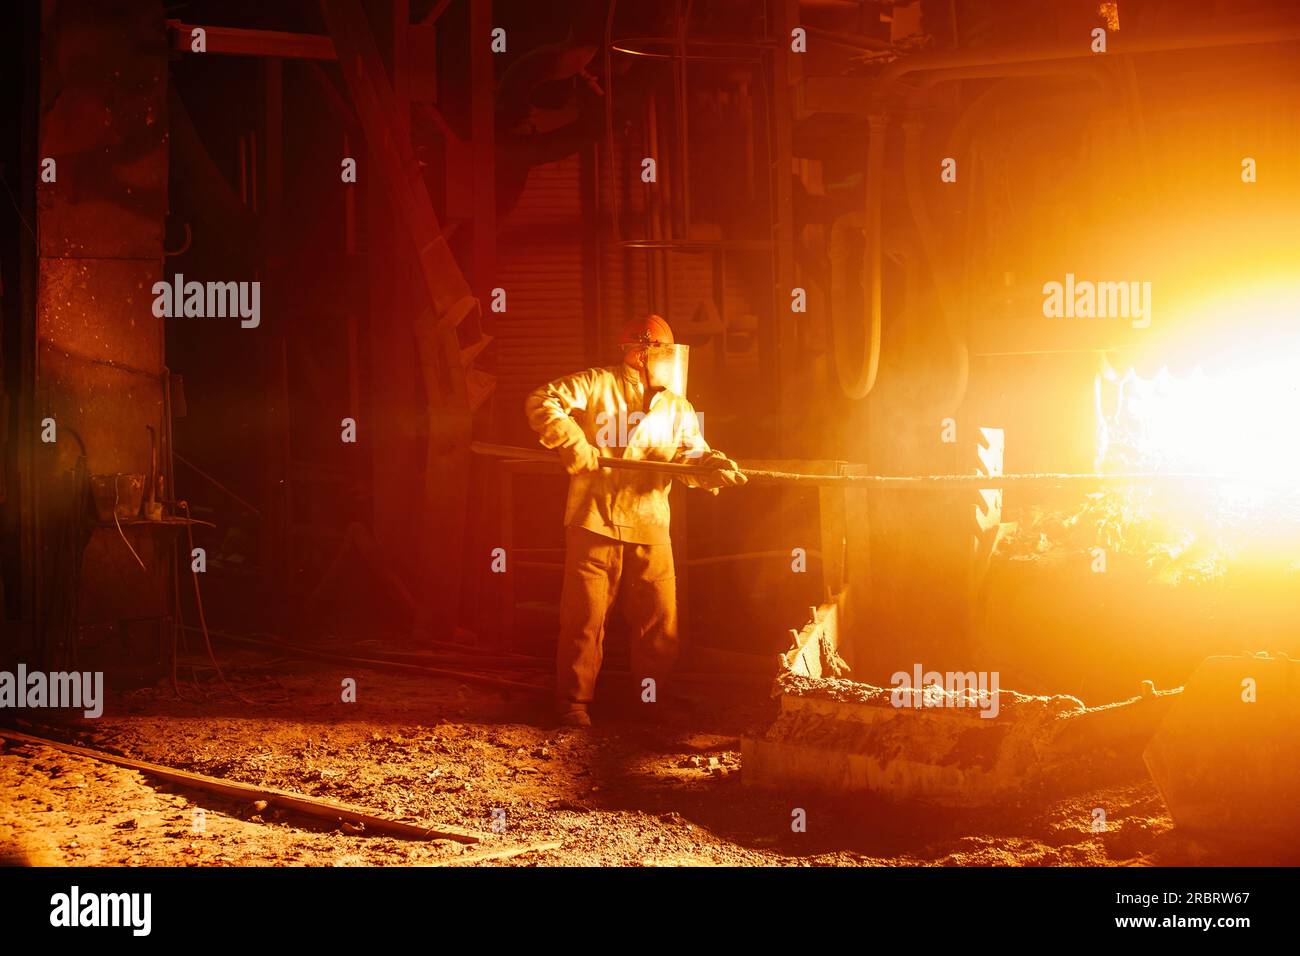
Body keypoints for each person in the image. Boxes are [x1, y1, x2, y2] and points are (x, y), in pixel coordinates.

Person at [524, 314, 746, 727]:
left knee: (658, 624)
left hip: (649, 522)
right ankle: (574, 705)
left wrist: (711, 464)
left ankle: (651, 705)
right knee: (584, 619)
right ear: (642, 353)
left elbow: (690, 454)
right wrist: (572, 441)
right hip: (596, 519)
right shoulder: (596, 384)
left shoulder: (677, 406)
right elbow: (542, 400)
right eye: (662, 352)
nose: (669, 361)